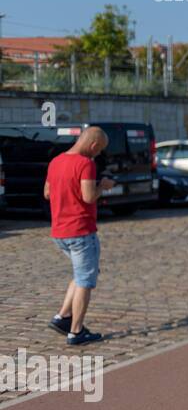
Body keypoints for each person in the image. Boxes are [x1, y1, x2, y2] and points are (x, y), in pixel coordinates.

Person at [44, 126, 112, 346]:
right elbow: (89, 196)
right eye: (99, 149)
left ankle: (63, 317)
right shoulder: (86, 164)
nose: (98, 154)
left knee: (82, 272)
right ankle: (76, 331)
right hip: (81, 231)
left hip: (59, 231)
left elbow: (47, 193)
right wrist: (103, 185)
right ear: (93, 145)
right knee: (85, 280)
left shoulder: (56, 161)